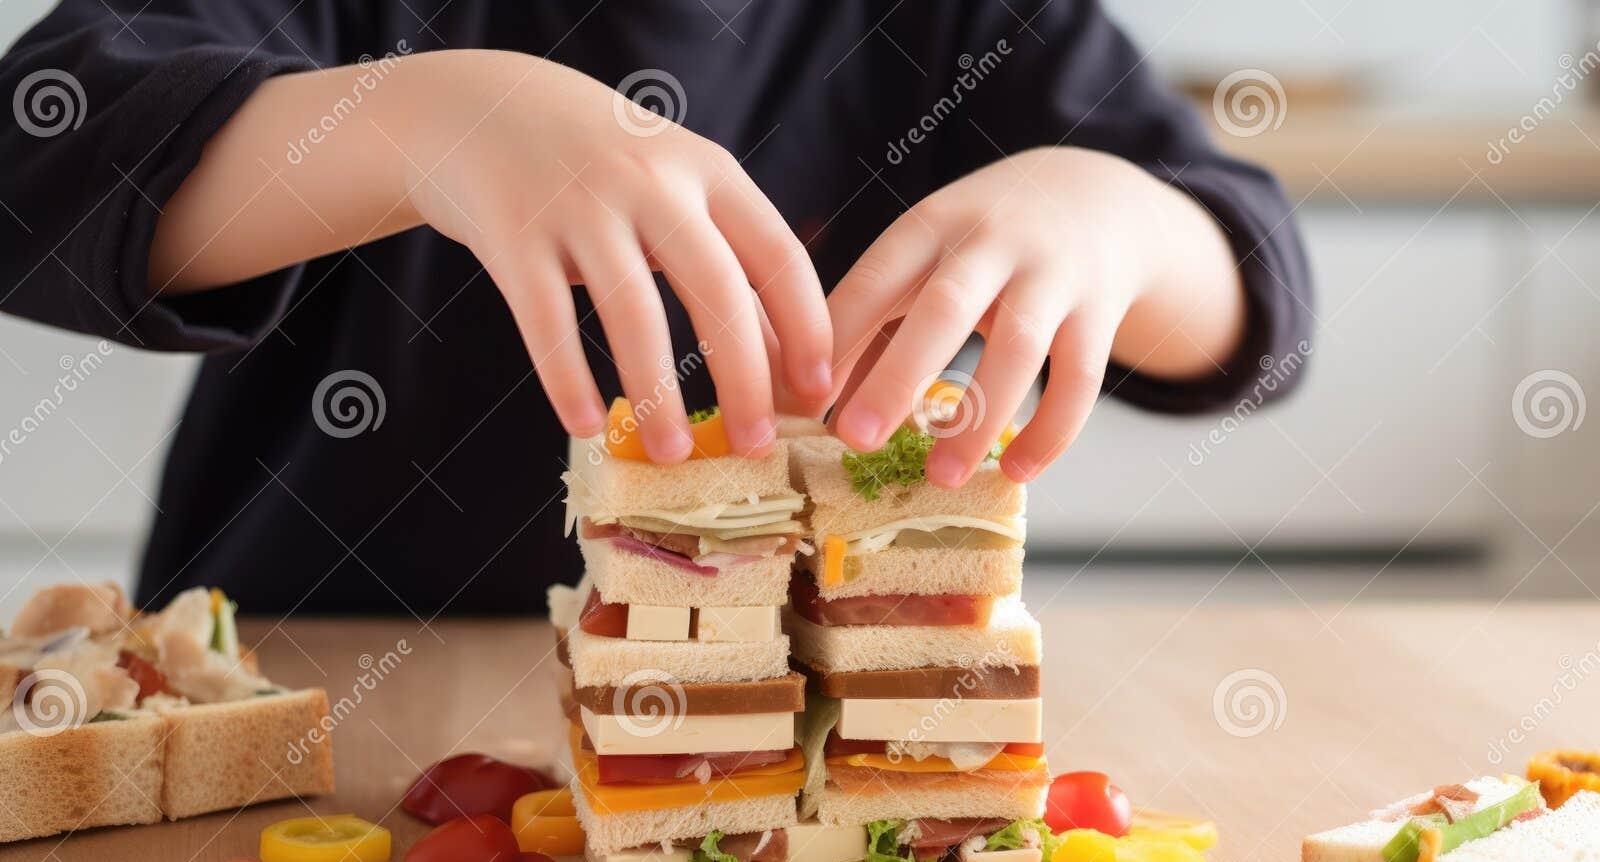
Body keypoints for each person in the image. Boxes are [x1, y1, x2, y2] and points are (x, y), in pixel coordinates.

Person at [0, 1, 1312, 615]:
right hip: (314, 679)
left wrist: (1122, 217)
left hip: (812, 721)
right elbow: (35, 151)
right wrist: (418, 122)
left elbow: (1261, 305)